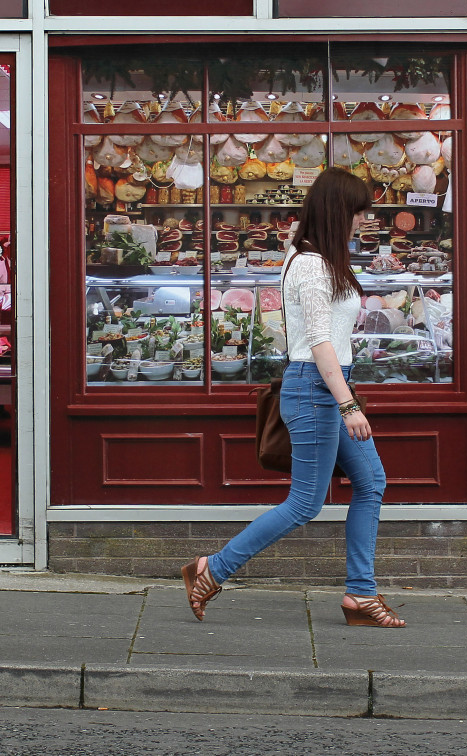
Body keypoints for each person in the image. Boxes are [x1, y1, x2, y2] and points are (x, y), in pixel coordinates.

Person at [181, 166, 404, 628]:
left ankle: (360, 595)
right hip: (316, 390)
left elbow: (330, 338)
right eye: (358, 211)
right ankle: (211, 569)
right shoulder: (309, 264)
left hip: (326, 383)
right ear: (338, 210)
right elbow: (319, 342)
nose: (365, 219)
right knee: (305, 503)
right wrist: (348, 404)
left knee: (371, 482)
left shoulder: (321, 259)